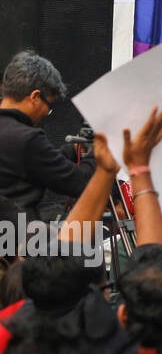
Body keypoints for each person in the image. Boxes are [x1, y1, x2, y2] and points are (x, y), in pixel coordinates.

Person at [0, 51, 95, 225]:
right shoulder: (26, 139)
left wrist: (71, 152)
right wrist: (98, 152)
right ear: (35, 96)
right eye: (48, 105)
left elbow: (34, 166)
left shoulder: (16, 137)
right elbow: (79, 182)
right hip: (15, 243)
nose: (46, 112)